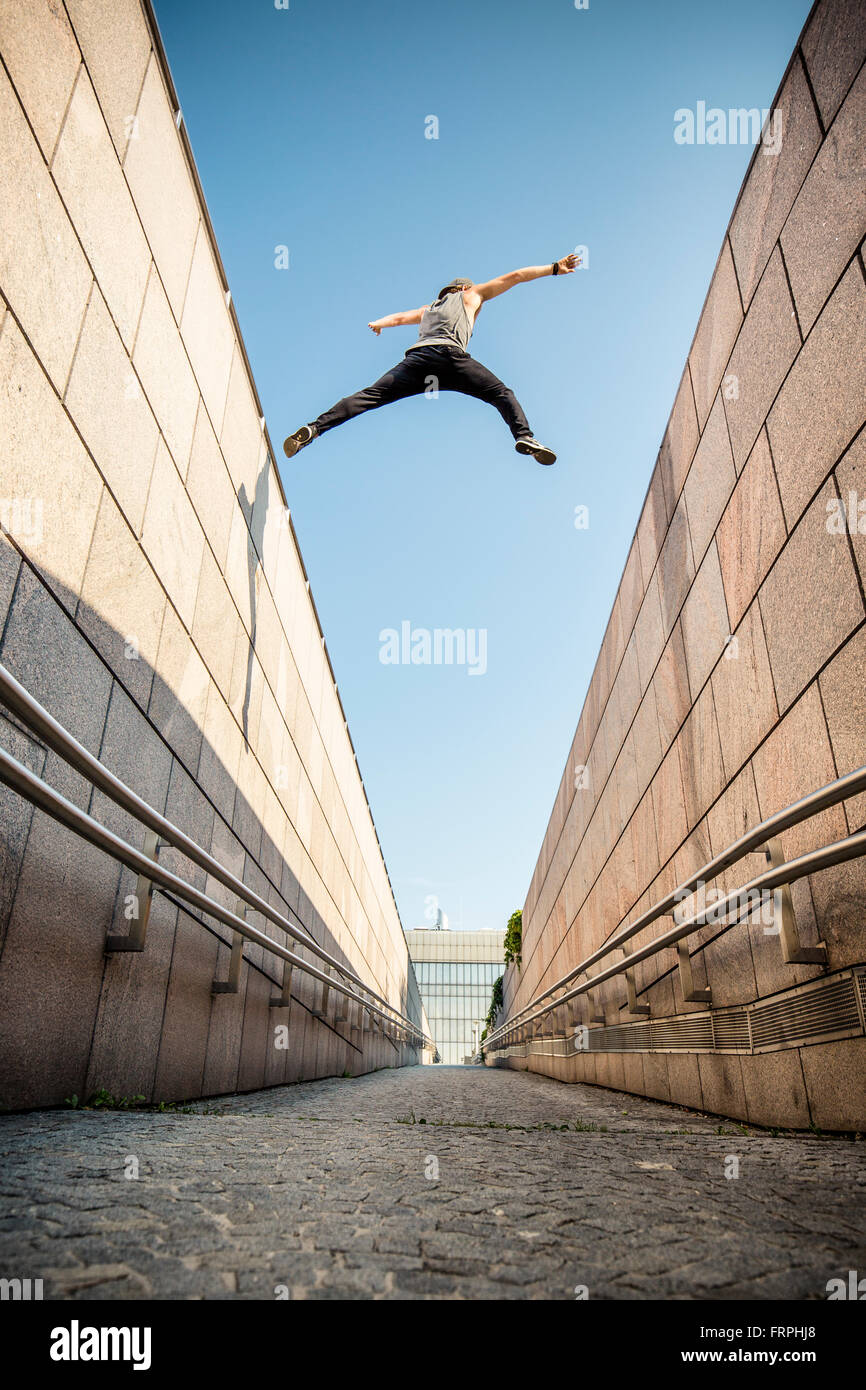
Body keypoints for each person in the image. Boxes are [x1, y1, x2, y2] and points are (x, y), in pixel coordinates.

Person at [283, 253, 581, 467]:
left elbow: (400, 317)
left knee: (369, 396)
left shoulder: (428, 309)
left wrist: (379, 323)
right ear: (464, 288)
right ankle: (524, 436)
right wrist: (554, 268)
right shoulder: (472, 294)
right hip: (451, 360)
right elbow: (514, 277)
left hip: (418, 362)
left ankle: (314, 429)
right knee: (501, 394)